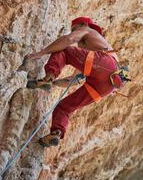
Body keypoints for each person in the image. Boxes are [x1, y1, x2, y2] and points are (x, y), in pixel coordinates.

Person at [26, 16, 124, 147]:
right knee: (64, 107)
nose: (73, 31)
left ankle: (48, 77)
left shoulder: (86, 30)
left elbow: (68, 40)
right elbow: (73, 80)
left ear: (82, 25)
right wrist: (53, 84)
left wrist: (42, 52)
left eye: (74, 29)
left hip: (106, 64)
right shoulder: (93, 51)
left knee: (63, 49)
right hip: (108, 85)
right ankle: (56, 133)